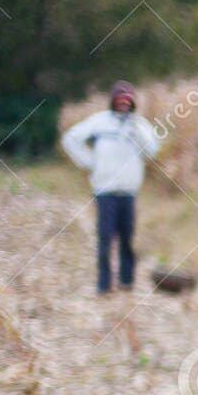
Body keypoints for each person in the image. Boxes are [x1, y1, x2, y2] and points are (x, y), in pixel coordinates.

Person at [61, 82, 159, 294]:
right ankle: (104, 285)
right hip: (105, 190)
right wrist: (88, 162)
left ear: (133, 103)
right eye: (119, 100)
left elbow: (151, 151)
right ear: (113, 101)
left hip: (128, 192)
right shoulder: (99, 122)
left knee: (127, 238)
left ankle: (126, 282)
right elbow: (70, 139)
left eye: (127, 101)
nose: (123, 104)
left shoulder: (140, 125)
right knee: (105, 237)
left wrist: (135, 129)